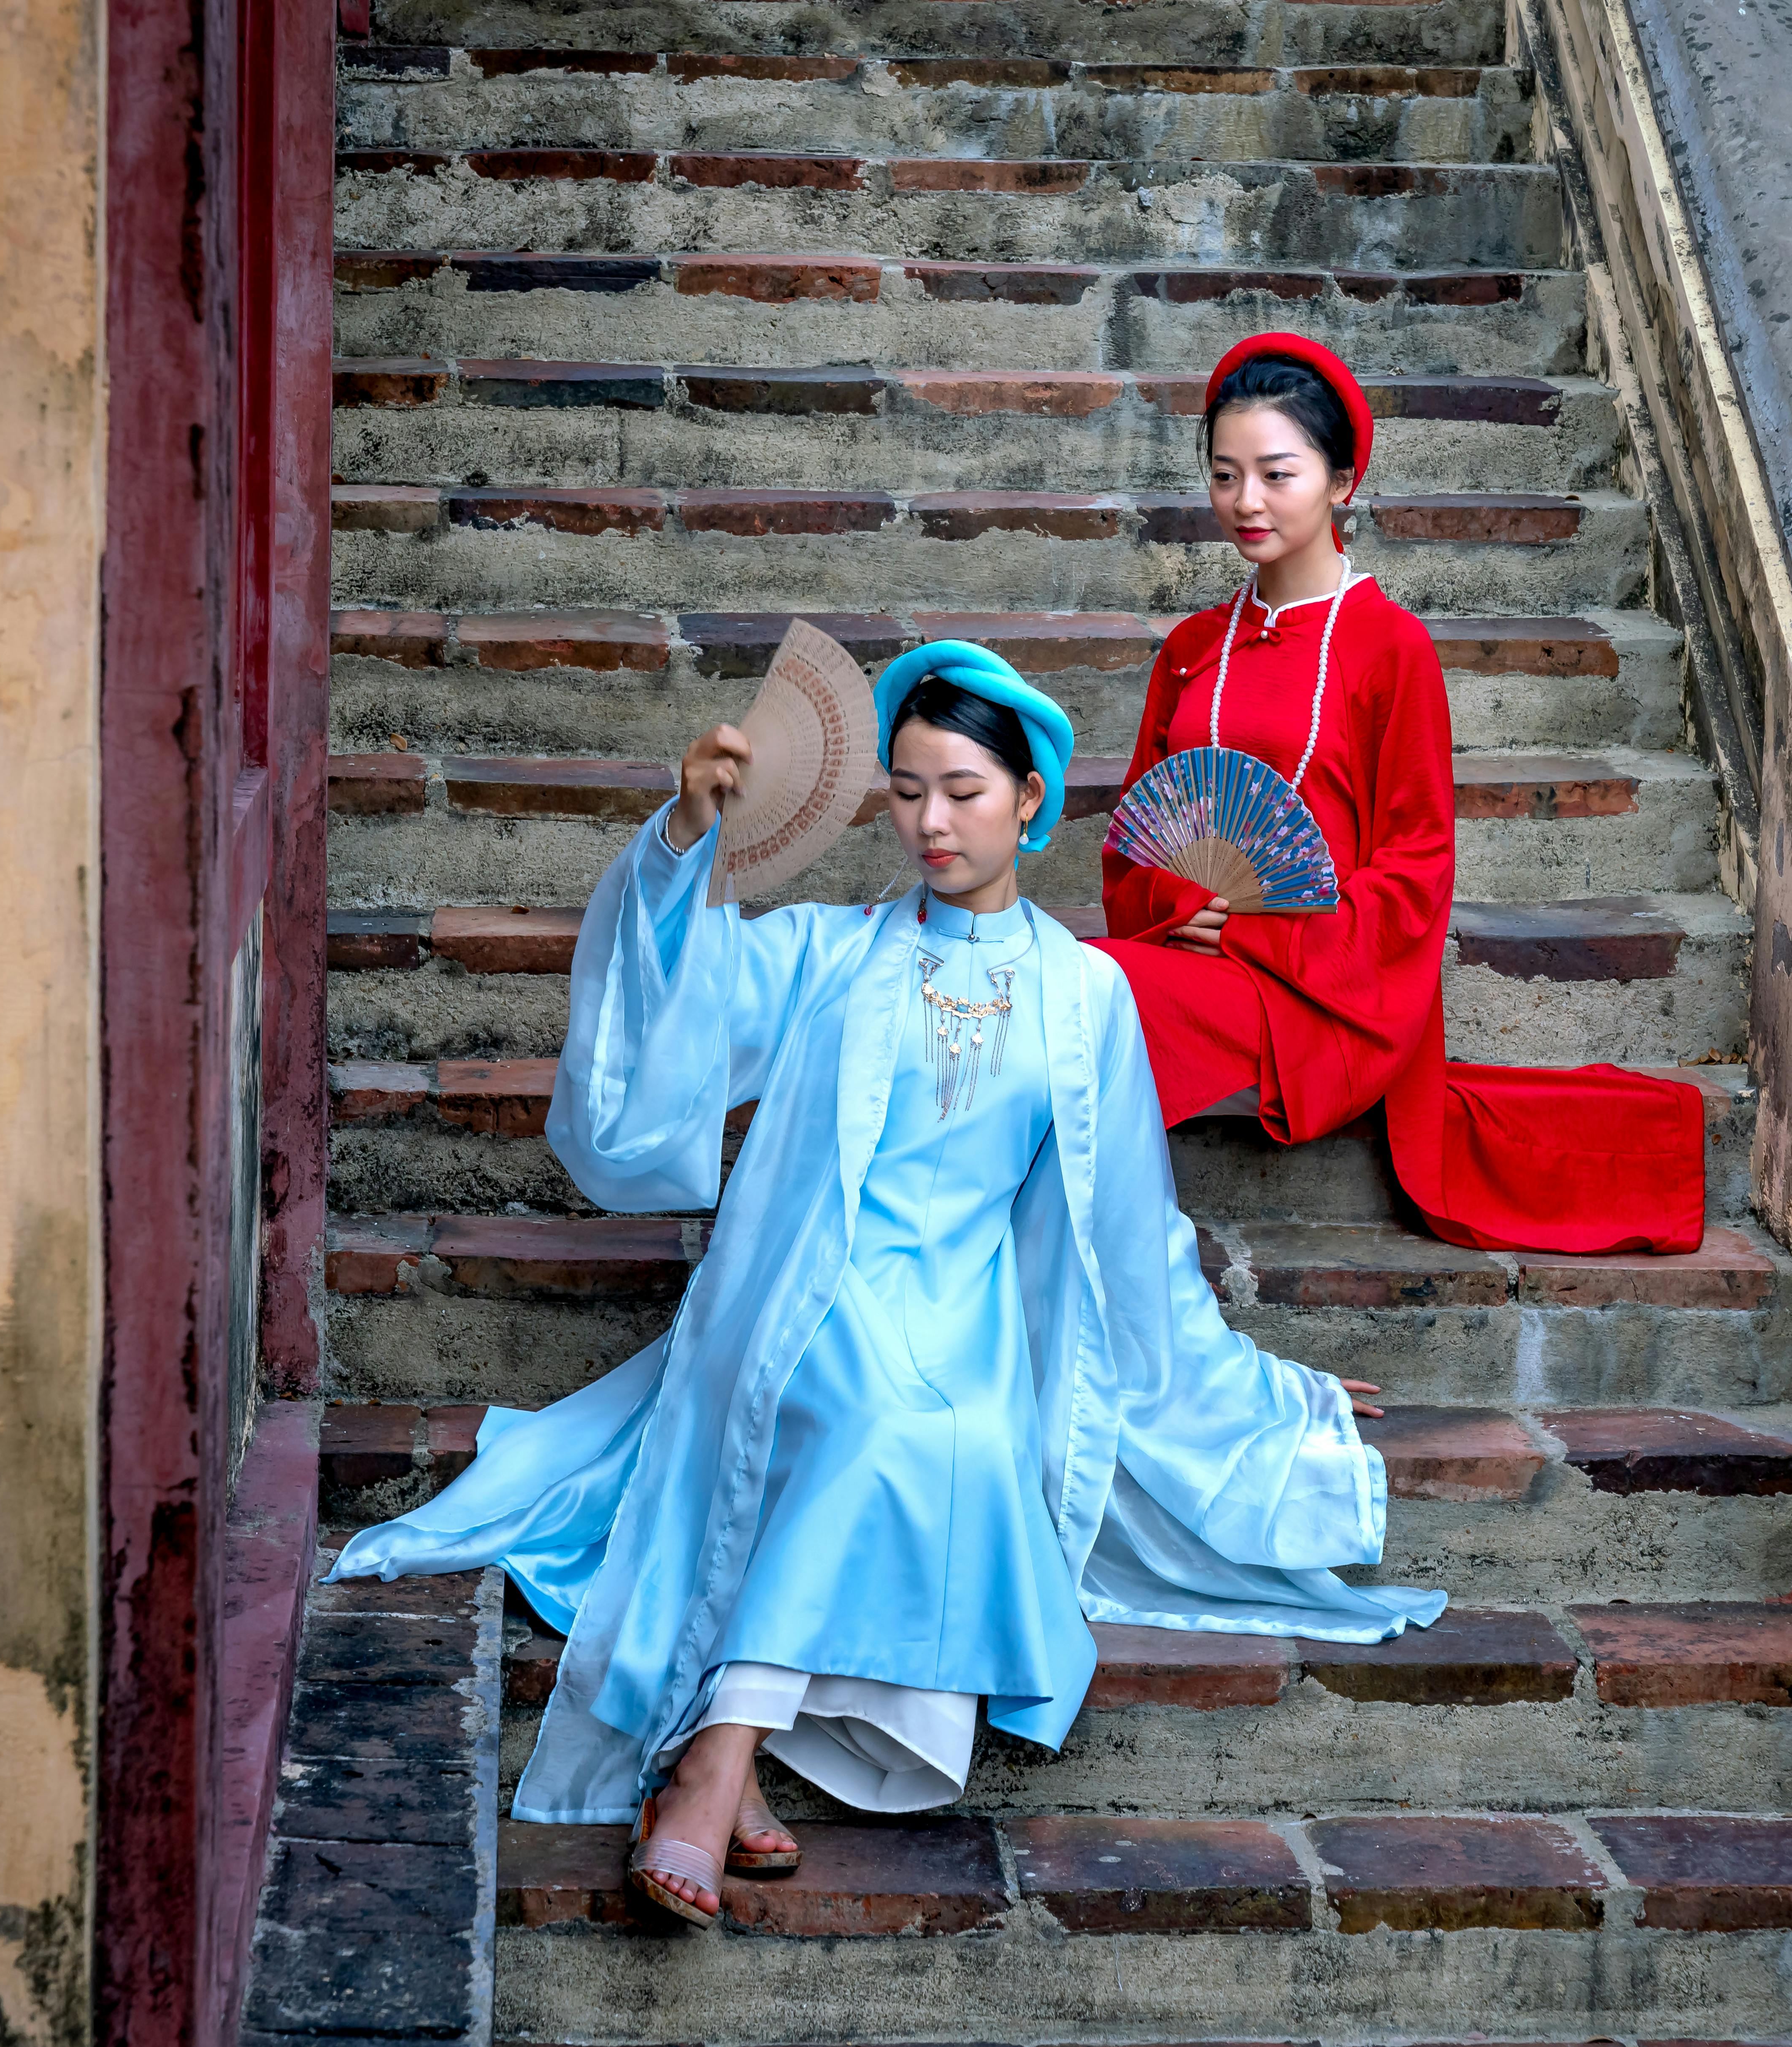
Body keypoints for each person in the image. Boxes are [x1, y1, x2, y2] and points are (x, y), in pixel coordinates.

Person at [320, 639, 1444, 1928]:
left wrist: (1258, 1390)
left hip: (966, 1322)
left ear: (1033, 798)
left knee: (950, 1428)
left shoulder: (1089, 996)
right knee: (871, 1418)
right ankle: (716, 1768)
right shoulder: (830, 952)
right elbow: (674, 1003)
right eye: (906, 789)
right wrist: (686, 835)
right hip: (806, 1293)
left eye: (964, 789)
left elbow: (1131, 1238)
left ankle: (710, 1754)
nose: (931, 820)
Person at [1092, 333, 1708, 1255]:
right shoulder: (1191, 647)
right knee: (1055, 981)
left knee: (1082, 991)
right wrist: (1186, 903)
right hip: (1190, 958)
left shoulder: (1389, 648)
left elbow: (1416, 875)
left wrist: (1264, 927)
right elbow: (1133, 846)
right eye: (1224, 475)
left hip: (1315, 995)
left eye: (1275, 472)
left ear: (1342, 481)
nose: (1245, 501)